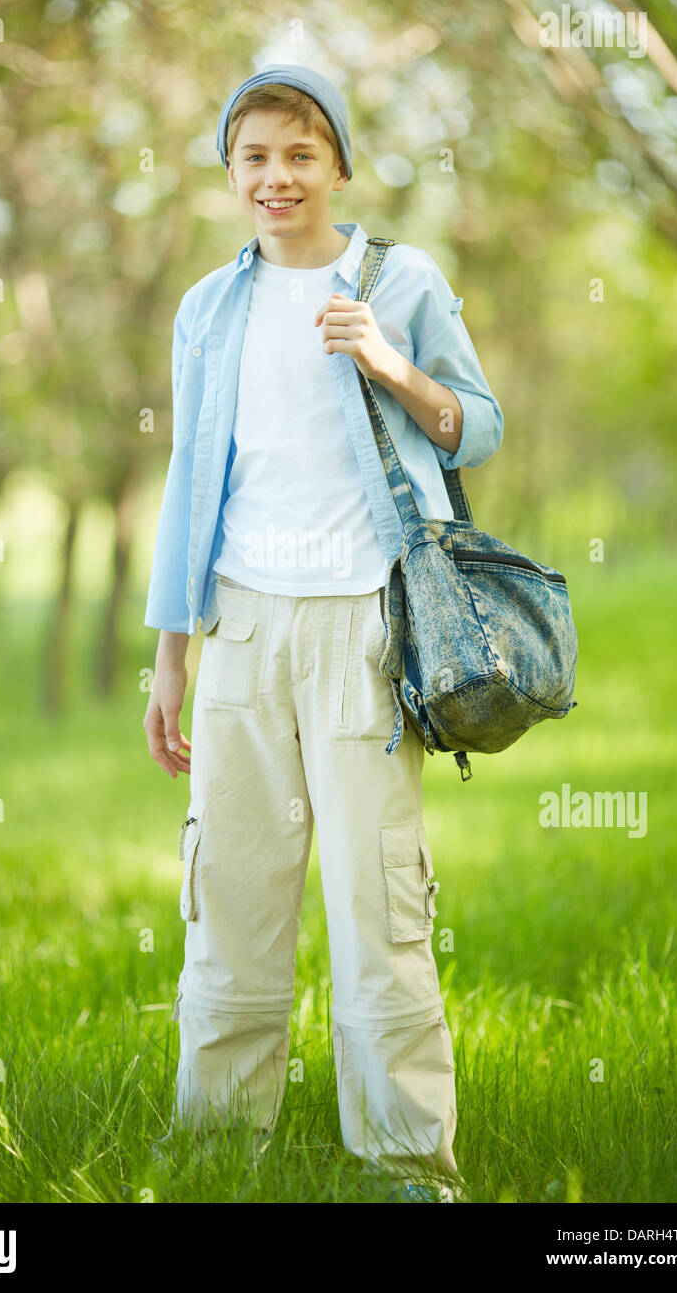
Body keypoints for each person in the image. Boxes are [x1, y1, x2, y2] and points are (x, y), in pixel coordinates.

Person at [142, 64, 503, 1202]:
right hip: (242, 631)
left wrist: (390, 365)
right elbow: (186, 481)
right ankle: (213, 1151)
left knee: (375, 900)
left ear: (337, 164)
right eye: (252, 156)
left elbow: (475, 427)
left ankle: (405, 1162)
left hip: (364, 625)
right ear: (230, 173)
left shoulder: (400, 281)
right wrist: (170, 653)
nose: (275, 176)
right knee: (232, 898)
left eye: (299, 153)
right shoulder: (209, 309)